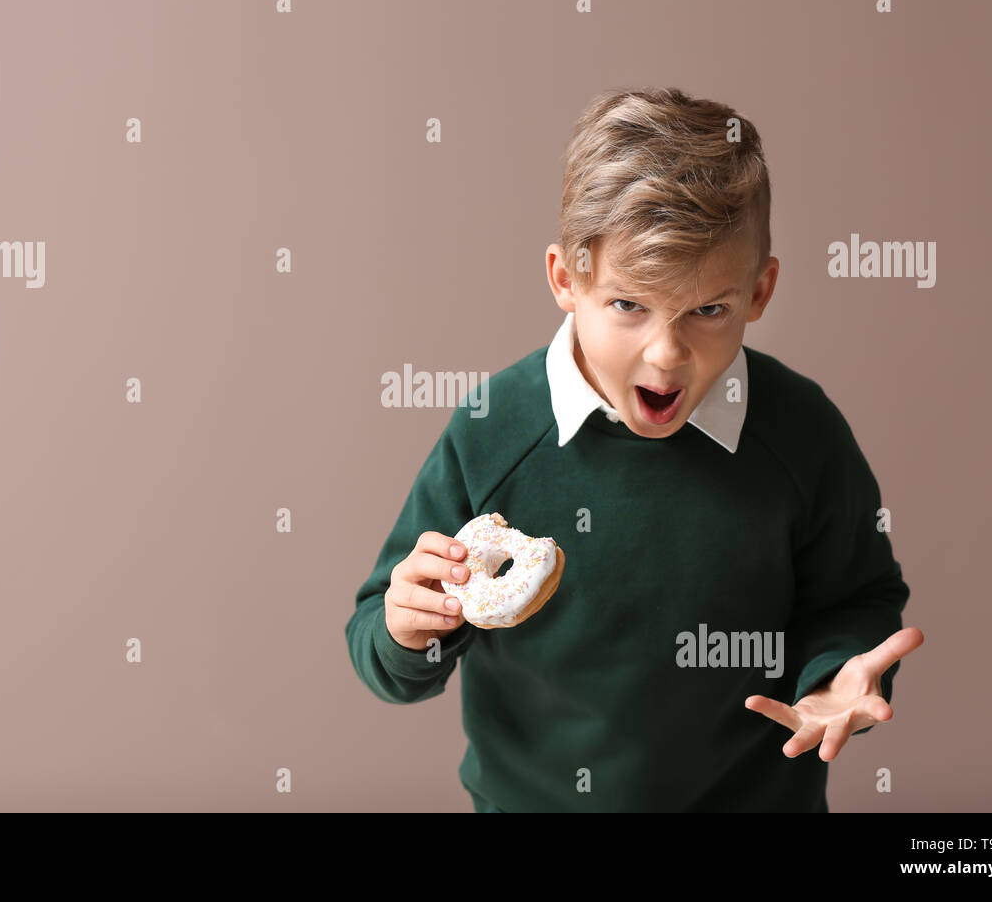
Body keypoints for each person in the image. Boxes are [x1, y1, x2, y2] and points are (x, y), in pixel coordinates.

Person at [344, 87, 924, 812]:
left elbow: (857, 597)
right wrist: (404, 628)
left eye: (707, 309)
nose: (666, 353)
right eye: (628, 305)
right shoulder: (493, 432)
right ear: (566, 279)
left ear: (760, 290)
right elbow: (384, 649)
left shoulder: (801, 432)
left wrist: (837, 675)